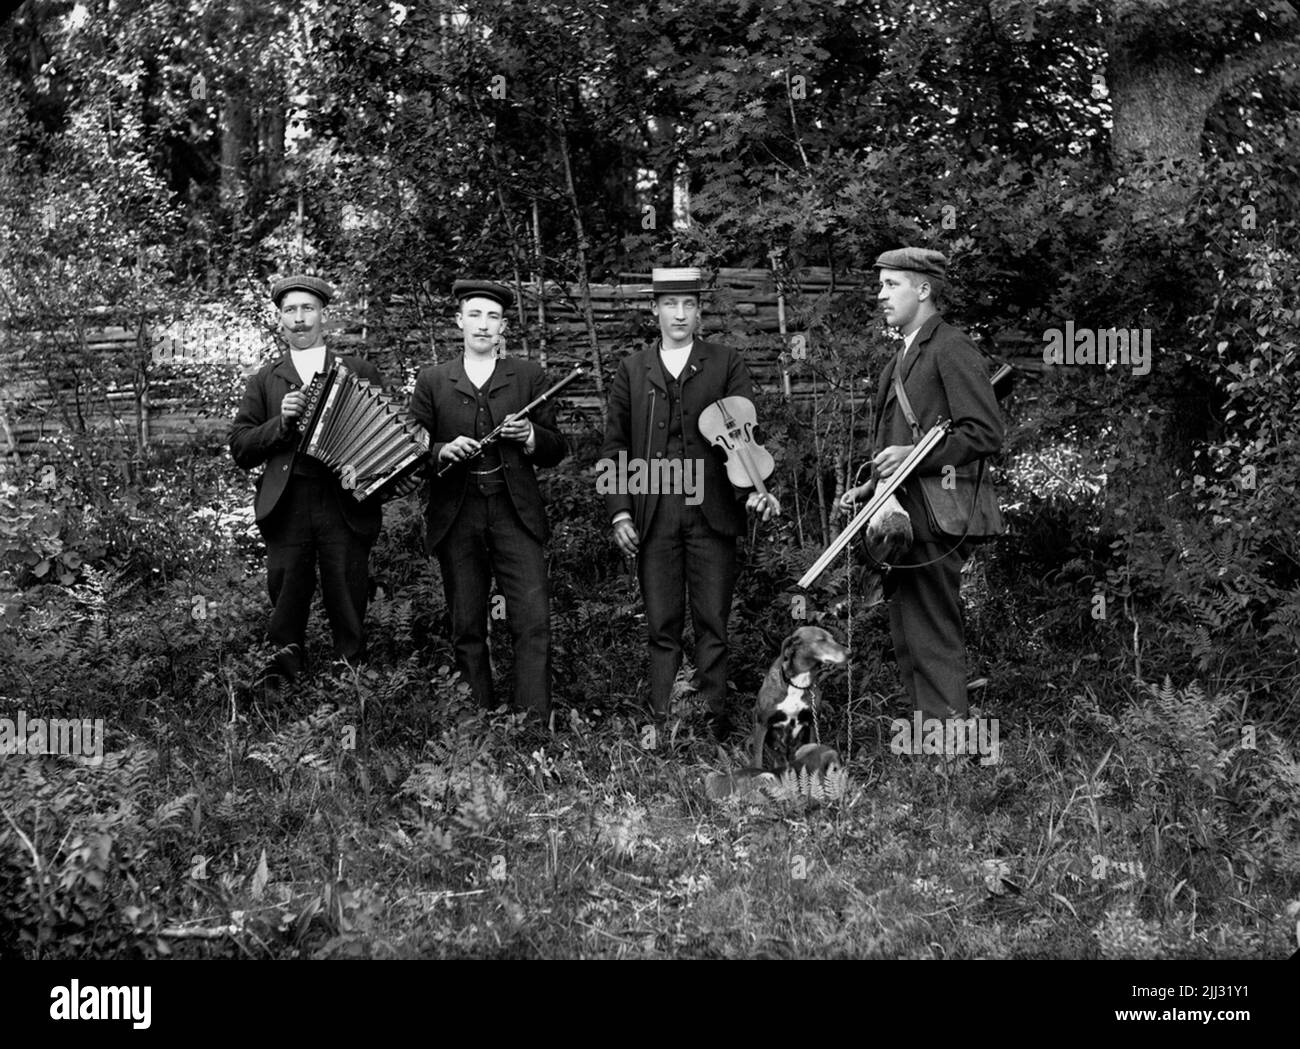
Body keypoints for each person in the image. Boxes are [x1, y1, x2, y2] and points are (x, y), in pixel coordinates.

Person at [601, 266, 779, 736]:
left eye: (688, 305)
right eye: (669, 304)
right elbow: (615, 447)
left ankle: (710, 725)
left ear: (699, 311)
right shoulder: (632, 369)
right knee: (661, 624)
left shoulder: (724, 363)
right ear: (654, 310)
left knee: (712, 622)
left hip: (713, 511)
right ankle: (666, 725)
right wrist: (620, 511)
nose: (679, 314)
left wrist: (754, 491)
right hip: (653, 511)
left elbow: (742, 437)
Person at [838, 248, 1003, 718]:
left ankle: (949, 743)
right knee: (909, 637)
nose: (881, 295)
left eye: (892, 285)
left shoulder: (951, 346)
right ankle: (930, 741)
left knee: (933, 635)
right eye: (881, 285)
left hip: (934, 515)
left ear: (924, 290)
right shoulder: (902, 357)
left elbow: (984, 432)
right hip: (900, 519)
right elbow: (895, 447)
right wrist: (871, 488)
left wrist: (914, 457)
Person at [410, 280, 567, 720]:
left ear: (503, 326)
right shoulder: (433, 380)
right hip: (457, 514)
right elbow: (410, 449)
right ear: (459, 321)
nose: (483, 325)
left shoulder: (528, 376)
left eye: (493, 317)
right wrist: (441, 450)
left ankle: (532, 721)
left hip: (515, 513)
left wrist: (531, 435)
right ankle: (476, 720)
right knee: (466, 623)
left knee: (532, 620)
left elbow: (557, 448)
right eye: (475, 315)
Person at [230, 274, 386, 690]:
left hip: (344, 500)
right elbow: (240, 448)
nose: (299, 319)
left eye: (308, 309)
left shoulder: (359, 371)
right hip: (288, 502)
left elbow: (383, 440)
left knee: (348, 594)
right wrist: (279, 423)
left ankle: (351, 686)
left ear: (322, 315)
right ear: (280, 319)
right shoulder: (265, 379)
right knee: (286, 599)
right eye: (290, 310)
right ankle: (282, 689)